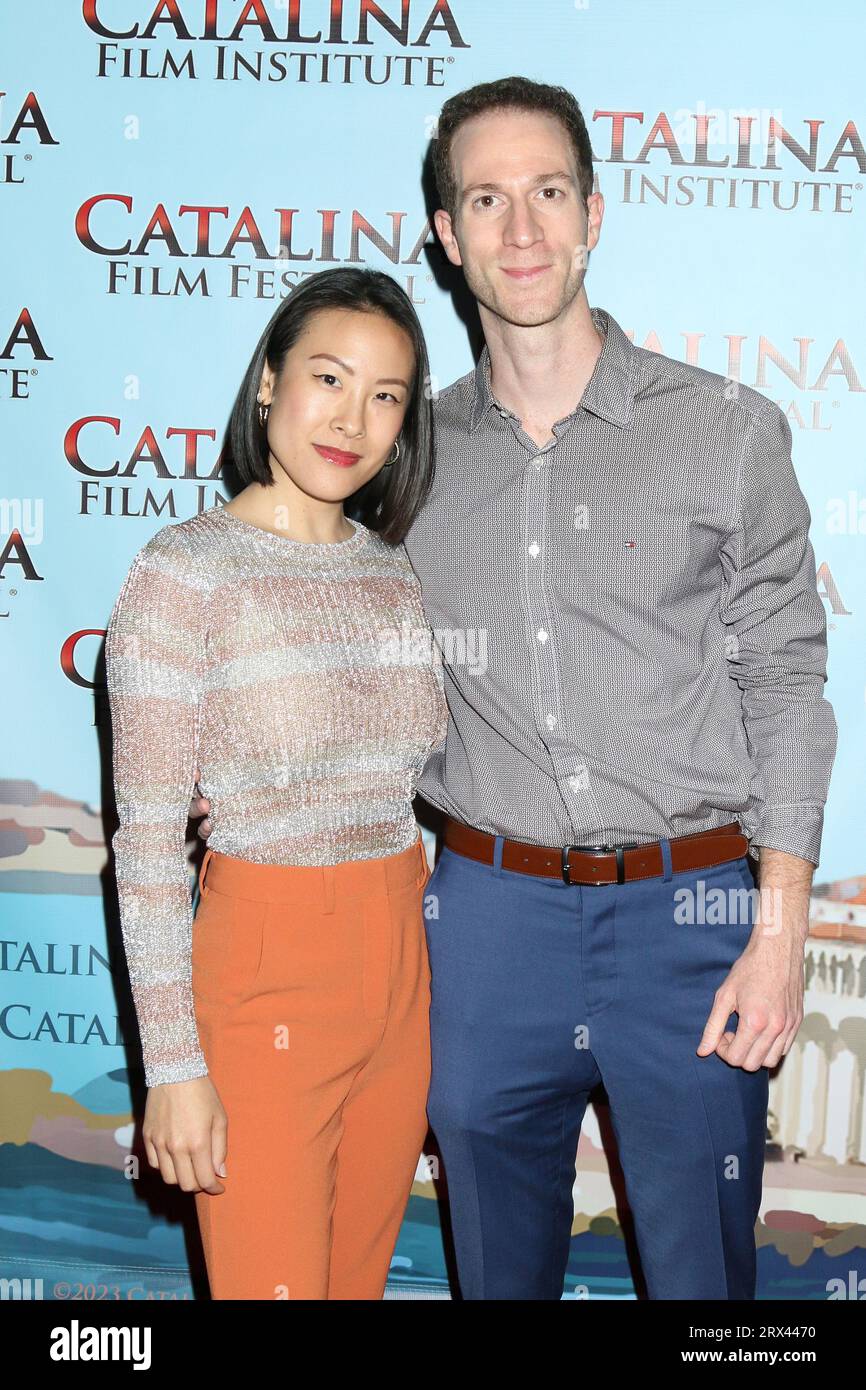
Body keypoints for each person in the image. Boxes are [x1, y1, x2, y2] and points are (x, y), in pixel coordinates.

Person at [194, 76, 837, 1301]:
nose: (521, 230)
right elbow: (303, 607)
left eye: (546, 193)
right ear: (445, 234)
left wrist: (777, 923)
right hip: (485, 920)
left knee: (709, 1294)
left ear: (593, 212)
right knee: (492, 1271)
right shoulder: (403, 458)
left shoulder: (725, 431)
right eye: (485, 200)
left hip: (692, 913)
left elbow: (786, 678)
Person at [105, 267, 449, 1300]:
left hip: (398, 966)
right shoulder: (182, 571)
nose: (353, 418)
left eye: (385, 394)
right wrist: (173, 1068)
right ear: (268, 382)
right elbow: (148, 844)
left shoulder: (391, 570)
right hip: (261, 983)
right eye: (329, 377)